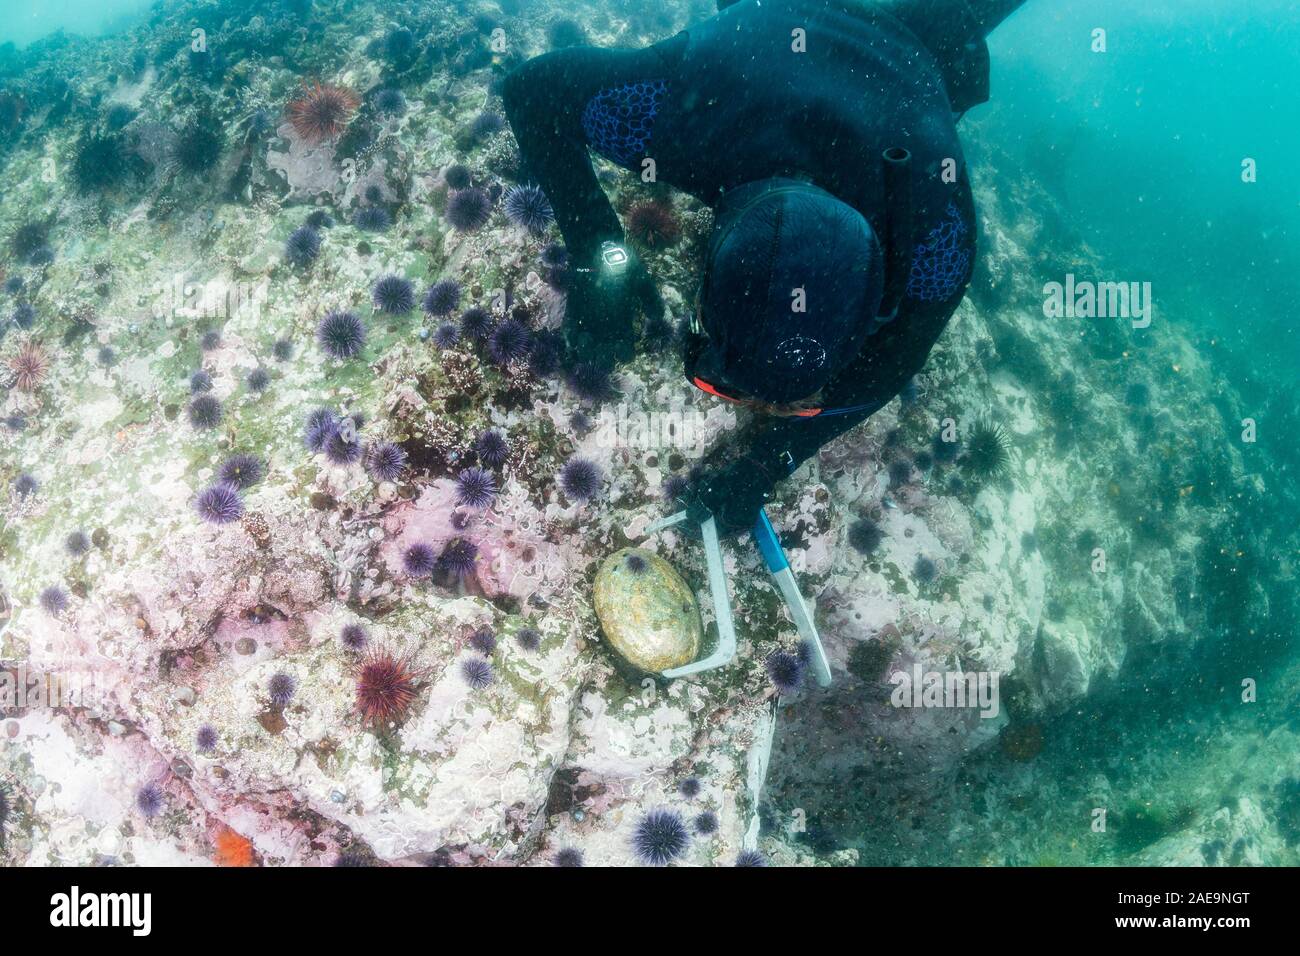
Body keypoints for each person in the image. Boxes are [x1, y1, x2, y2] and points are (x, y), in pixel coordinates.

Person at [503, 0, 1028, 533]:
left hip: (919, 47)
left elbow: (889, 370)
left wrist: (767, 465)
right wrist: (598, 253)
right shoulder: (677, 117)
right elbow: (526, 90)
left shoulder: (936, 242)